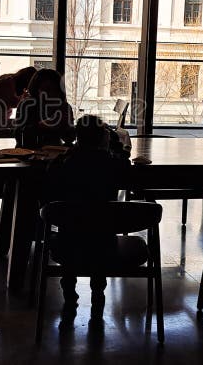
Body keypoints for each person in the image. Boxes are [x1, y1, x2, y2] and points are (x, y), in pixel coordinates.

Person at [44, 115, 131, 319]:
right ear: (103, 138)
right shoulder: (111, 163)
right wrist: (116, 147)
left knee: (70, 246)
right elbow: (126, 167)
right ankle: (98, 293)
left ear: (78, 137)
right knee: (99, 246)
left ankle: (69, 292)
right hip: (104, 240)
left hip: (68, 241)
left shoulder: (63, 163)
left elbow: (48, 193)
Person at [14, 68, 75, 147]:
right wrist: (42, 125)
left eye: (55, 89)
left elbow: (70, 138)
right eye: (46, 89)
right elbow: (19, 136)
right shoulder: (27, 105)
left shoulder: (64, 107)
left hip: (55, 151)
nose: (50, 93)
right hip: (28, 152)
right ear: (36, 90)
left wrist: (67, 127)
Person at [0, 66, 36, 130]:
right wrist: (25, 96)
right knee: (24, 125)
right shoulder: (9, 83)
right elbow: (14, 103)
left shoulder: (9, 81)